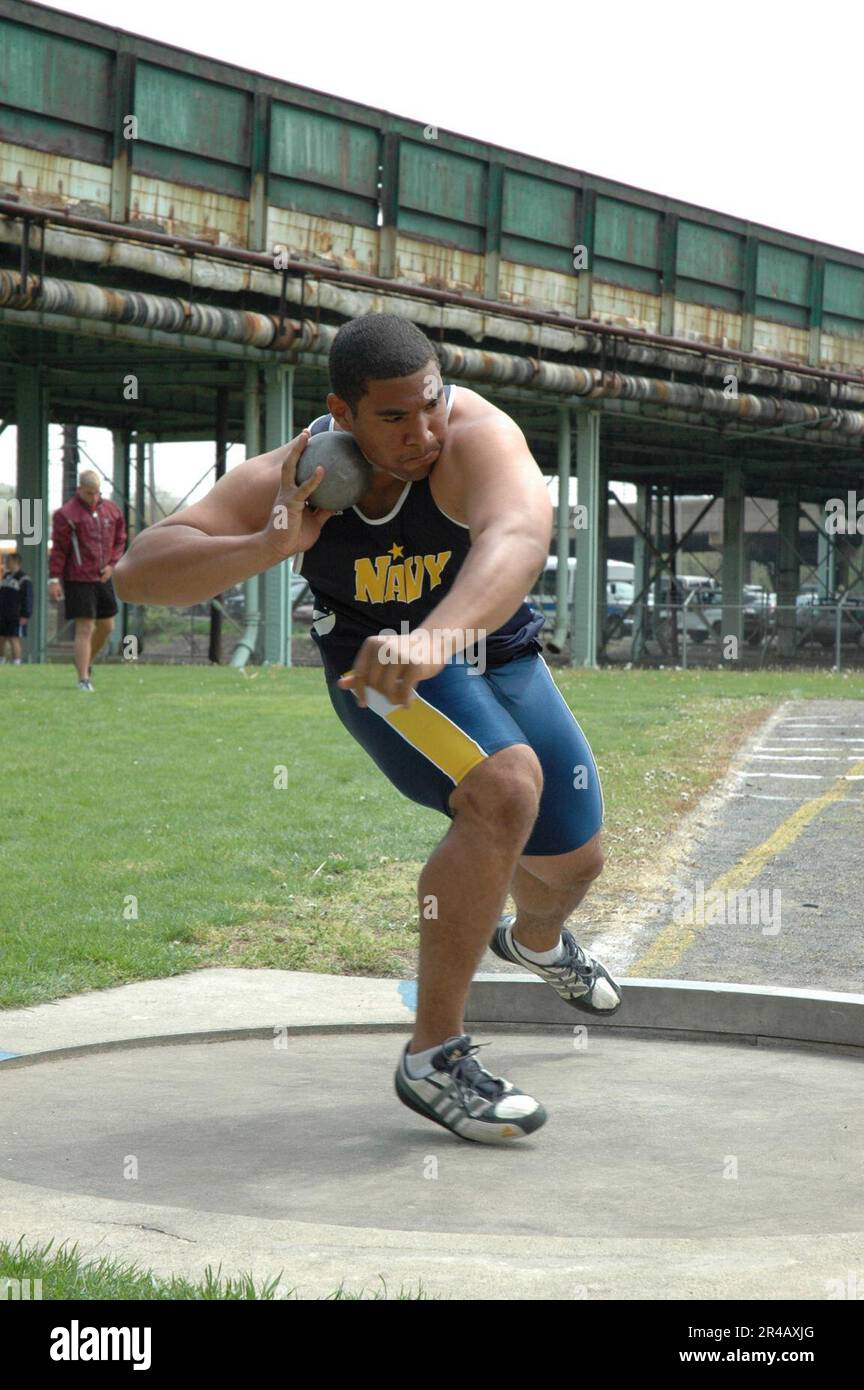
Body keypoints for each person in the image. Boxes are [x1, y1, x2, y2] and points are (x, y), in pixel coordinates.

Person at [113, 313, 621, 1144]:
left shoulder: (476, 436)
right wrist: (269, 545)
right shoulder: (295, 474)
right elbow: (137, 574)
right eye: (393, 416)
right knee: (503, 790)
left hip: (488, 647)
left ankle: (537, 942)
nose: (421, 432)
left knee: (575, 859)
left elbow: (521, 535)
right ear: (341, 413)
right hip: (375, 671)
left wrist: (434, 638)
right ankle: (435, 1058)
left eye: (429, 404)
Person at [48, 469, 126, 690]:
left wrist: (112, 564)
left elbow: (120, 538)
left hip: (103, 577)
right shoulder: (65, 515)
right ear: (79, 490)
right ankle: (83, 679)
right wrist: (54, 579)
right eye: (90, 493)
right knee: (85, 627)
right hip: (78, 578)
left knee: (108, 626)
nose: (94, 498)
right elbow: (59, 550)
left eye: (97, 493)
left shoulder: (111, 510)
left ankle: (85, 662)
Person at [0, 551, 33, 664]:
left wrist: (25, 614)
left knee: (14, 638)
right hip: (4, 613)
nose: (6, 563)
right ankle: (2, 660)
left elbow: (28, 598)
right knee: (2, 638)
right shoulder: (6, 576)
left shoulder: (24, 579)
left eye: (8, 561)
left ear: (16, 562)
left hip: (16, 614)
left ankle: (17, 662)